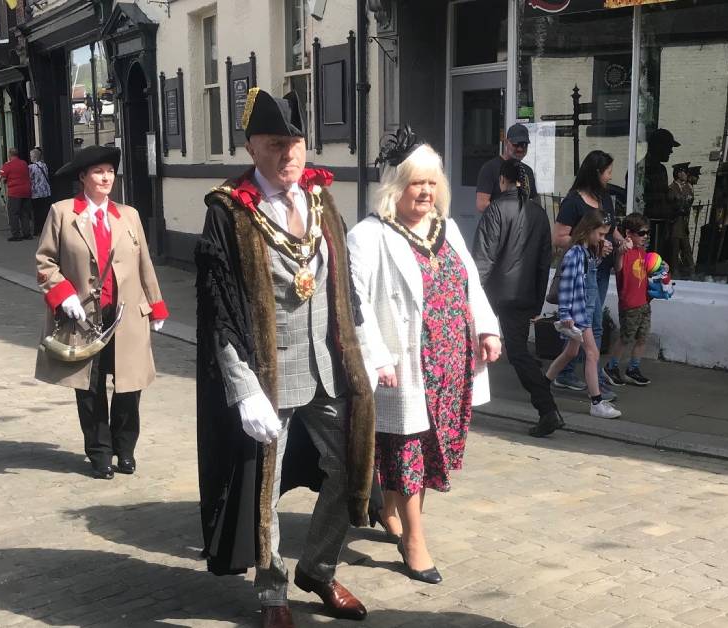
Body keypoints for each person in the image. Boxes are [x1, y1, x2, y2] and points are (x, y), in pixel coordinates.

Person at [195, 88, 374, 628]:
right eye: (277, 145)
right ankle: (273, 595)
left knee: (353, 467)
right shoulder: (230, 212)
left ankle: (318, 568)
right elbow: (218, 308)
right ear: (253, 149)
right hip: (269, 371)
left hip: (327, 365)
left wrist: (367, 346)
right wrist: (243, 387)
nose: (290, 155)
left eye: (296, 144)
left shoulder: (321, 199)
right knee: (264, 491)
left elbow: (342, 283)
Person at [349, 129, 501, 585]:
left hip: (451, 363)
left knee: (426, 447)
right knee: (407, 448)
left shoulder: (448, 228)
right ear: (396, 186)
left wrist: (488, 329)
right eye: (418, 183)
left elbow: (471, 284)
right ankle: (414, 540)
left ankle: (391, 507)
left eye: (433, 183)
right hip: (405, 365)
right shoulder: (368, 236)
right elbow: (354, 305)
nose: (427, 192)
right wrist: (375, 357)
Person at [34, 145, 169, 480]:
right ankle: (99, 452)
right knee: (90, 388)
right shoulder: (62, 213)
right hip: (84, 317)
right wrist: (63, 294)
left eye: (109, 171)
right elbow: (45, 262)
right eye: (98, 171)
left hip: (126, 316)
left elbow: (144, 264)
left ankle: (126, 449)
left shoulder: (129, 215)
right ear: (83, 177)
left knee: (129, 386)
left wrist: (155, 304)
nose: (106, 177)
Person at [473, 158, 564, 438]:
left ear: (503, 181)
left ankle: (457, 406)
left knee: (470, 349)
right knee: (519, 353)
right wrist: (537, 302)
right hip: (522, 295)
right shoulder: (538, 214)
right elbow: (542, 263)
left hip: (493, 293)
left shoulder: (496, 210)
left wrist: (470, 295)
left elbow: (483, 260)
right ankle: (546, 408)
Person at [552, 150, 620, 399]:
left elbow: (610, 229)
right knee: (591, 325)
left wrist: (619, 240)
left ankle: (560, 375)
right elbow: (558, 237)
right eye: (608, 171)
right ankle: (589, 382)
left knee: (589, 327)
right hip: (581, 272)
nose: (610, 176)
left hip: (600, 270)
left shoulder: (605, 199)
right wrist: (591, 243)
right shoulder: (573, 201)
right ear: (596, 173)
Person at [545, 209, 621, 419]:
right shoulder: (575, 253)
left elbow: (582, 280)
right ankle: (596, 402)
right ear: (589, 230)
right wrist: (565, 314)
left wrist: (597, 259)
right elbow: (568, 285)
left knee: (570, 353)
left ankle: (543, 384)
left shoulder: (584, 252)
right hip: (578, 315)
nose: (602, 239)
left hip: (580, 312)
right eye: (600, 234)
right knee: (592, 354)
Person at [604, 213, 653, 387]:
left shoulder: (642, 252)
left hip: (644, 303)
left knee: (642, 337)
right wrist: (620, 252)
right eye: (641, 233)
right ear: (628, 233)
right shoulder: (624, 252)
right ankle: (611, 367)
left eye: (647, 233)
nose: (645, 236)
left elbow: (649, 270)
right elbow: (618, 267)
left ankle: (633, 369)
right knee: (626, 337)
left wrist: (662, 267)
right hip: (630, 305)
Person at [634, 128, 680, 260]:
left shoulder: (661, 169)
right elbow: (637, 198)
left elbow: (664, 194)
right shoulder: (641, 169)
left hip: (662, 226)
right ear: (659, 147)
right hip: (648, 226)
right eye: (668, 147)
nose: (671, 151)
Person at [475, 123, 537, 212]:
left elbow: (535, 202)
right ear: (506, 142)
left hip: (523, 224)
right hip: (499, 224)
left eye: (524, 144)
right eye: (516, 144)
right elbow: (482, 204)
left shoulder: (528, 171)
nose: (520, 149)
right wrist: (510, 214)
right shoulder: (490, 168)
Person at [0, 148, 34, 241]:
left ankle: (16, 235)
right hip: (26, 191)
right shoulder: (24, 163)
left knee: (13, 213)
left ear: (9, 155)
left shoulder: (8, 165)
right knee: (24, 213)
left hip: (15, 193)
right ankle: (27, 234)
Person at [28, 148, 53, 237]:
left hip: (36, 193)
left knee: (36, 212)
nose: (30, 157)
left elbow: (29, 179)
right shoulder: (44, 165)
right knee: (45, 211)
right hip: (46, 192)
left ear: (34, 157)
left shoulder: (31, 167)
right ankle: (45, 229)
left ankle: (37, 230)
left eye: (31, 156)